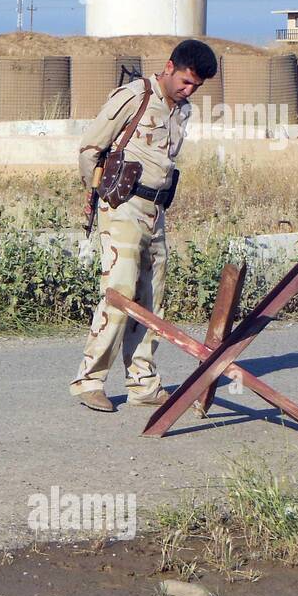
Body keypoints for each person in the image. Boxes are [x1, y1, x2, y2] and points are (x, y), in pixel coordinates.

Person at [70, 38, 218, 412]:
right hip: (122, 205)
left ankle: (143, 383)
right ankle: (90, 380)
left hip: (156, 211)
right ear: (169, 67)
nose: (188, 90)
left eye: (196, 87)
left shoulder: (183, 111)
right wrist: (103, 194)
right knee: (118, 293)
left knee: (152, 299)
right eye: (185, 81)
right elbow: (90, 148)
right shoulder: (133, 96)